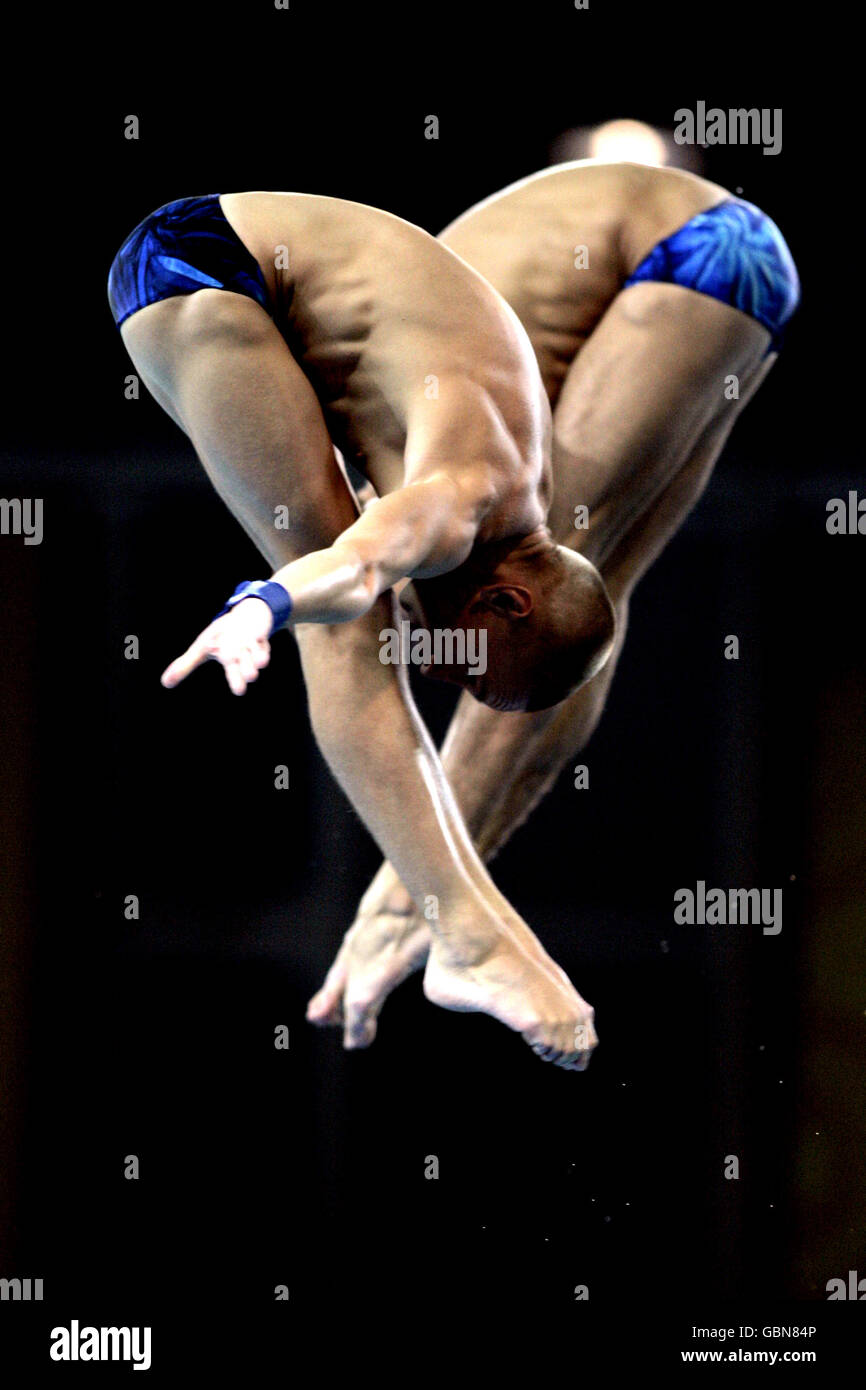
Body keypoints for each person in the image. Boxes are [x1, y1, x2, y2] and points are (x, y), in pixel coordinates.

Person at [108, 189, 617, 1069]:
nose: (441, 671)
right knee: (347, 633)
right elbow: (361, 564)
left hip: (227, 261)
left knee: (357, 621)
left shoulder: (516, 484)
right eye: (470, 672)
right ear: (508, 603)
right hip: (202, 268)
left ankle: (479, 929)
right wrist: (265, 606)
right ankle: (470, 938)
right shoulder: (464, 504)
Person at [309, 159, 800, 1046]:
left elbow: (442, 648)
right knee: (592, 598)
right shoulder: (405, 497)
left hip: (689, 252)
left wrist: (415, 886)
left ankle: (408, 910)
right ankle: (434, 905)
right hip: (732, 267)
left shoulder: (426, 495)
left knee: (551, 583)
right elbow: (527, 676)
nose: (434, 644)